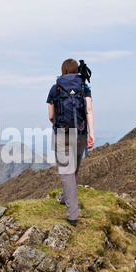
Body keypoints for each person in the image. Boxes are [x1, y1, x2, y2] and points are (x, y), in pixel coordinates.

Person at [46, 58, 95, 226]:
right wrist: (91, 133)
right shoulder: (84, 87)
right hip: (81, 133)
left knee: (66, 172)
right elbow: (88, 110)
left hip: (62, 133)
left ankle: (73, 215)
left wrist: (59, 125)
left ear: (63, 71)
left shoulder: (55, 89)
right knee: (72, 169)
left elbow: (51, 116)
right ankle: (66, 198)